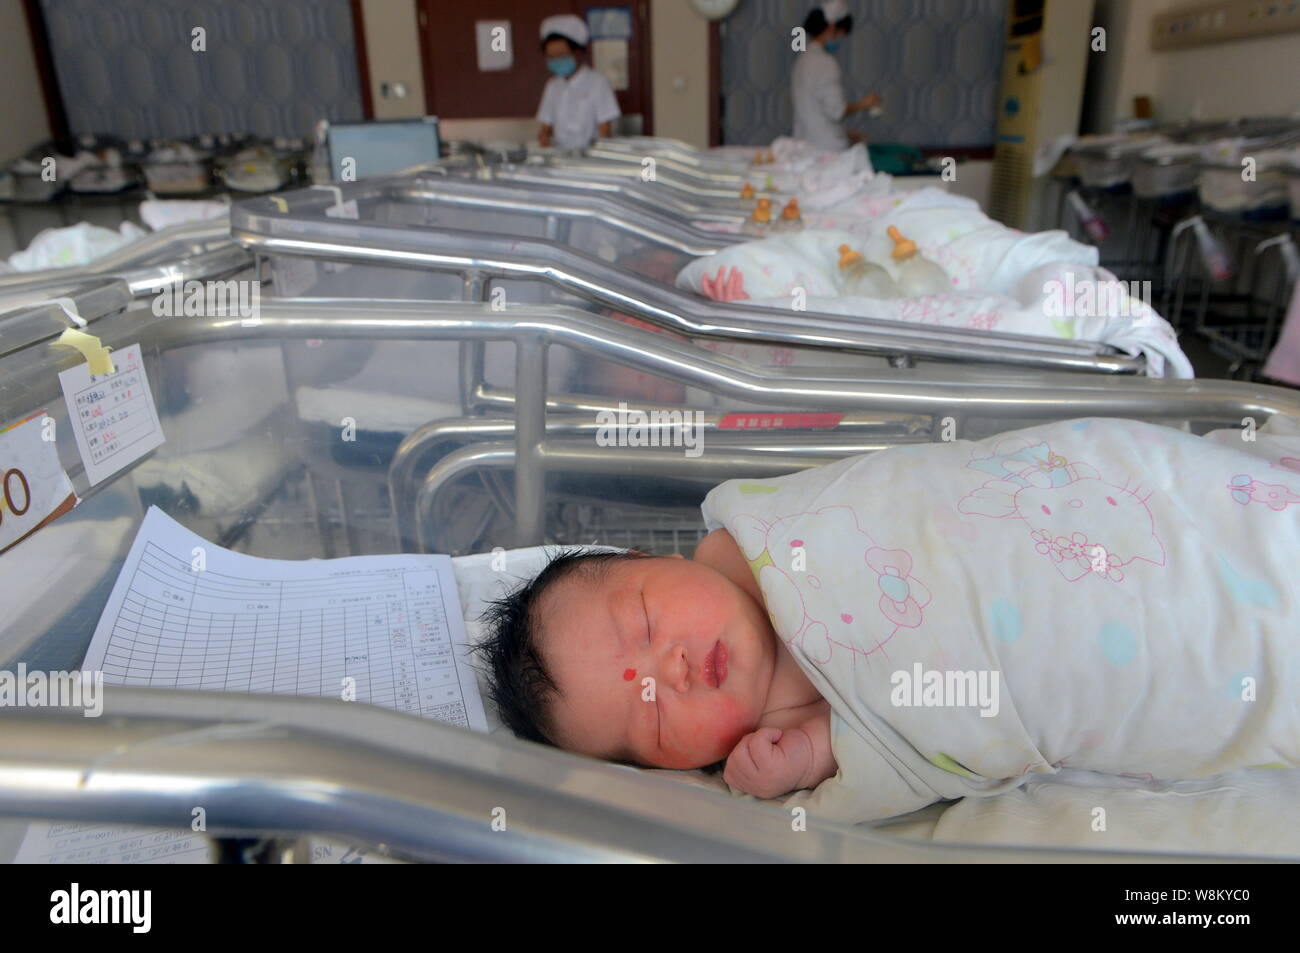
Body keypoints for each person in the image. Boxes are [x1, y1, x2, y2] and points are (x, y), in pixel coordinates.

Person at [792, 1, 881, 151]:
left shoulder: (802, 59)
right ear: (831, 28)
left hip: (805, 144)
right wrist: (865, 104)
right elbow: (836, 111)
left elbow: (815, 112)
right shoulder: (825, 63)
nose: (840, 39)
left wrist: (847, 134)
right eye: (841, 34)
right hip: (827, 149)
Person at [536, 14, 621, 150]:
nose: (556, 61)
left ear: (577, 52)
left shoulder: (598, 83)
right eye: (551, 57)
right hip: (559, 160)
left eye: (561, 55)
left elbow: (605, 131)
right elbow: (545, 127)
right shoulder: (552, 86)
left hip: (590, 161)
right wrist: (543, 138)